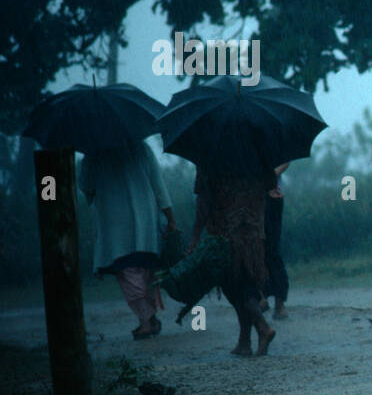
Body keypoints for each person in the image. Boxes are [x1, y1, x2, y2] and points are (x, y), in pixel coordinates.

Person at [79, 139, 179, 339]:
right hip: (146, 222)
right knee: (146, 272)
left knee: (127, 273)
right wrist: (170, 218)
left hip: (115, 226)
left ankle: (146, 321)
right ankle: (149, 319)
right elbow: (158, 185)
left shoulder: (93, 153)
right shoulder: (141, 147)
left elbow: (86, 186)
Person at [191, 166, 277, 356]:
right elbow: (271, 185)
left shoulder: (210, 158)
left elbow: (203, 200)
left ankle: (262, 328)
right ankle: (244, 341)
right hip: (253, 234)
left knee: (237, 288)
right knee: (247, 284)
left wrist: (195, 236)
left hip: (226, 235)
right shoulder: (257, 153)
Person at [262, 162, 290, 319]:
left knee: (272, 249)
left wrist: (271, 176)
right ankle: (261, 297)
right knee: (255, 250)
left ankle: (279, 303)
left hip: (273, 196)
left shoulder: (273, 138)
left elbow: (286, 160)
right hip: (250, 195)